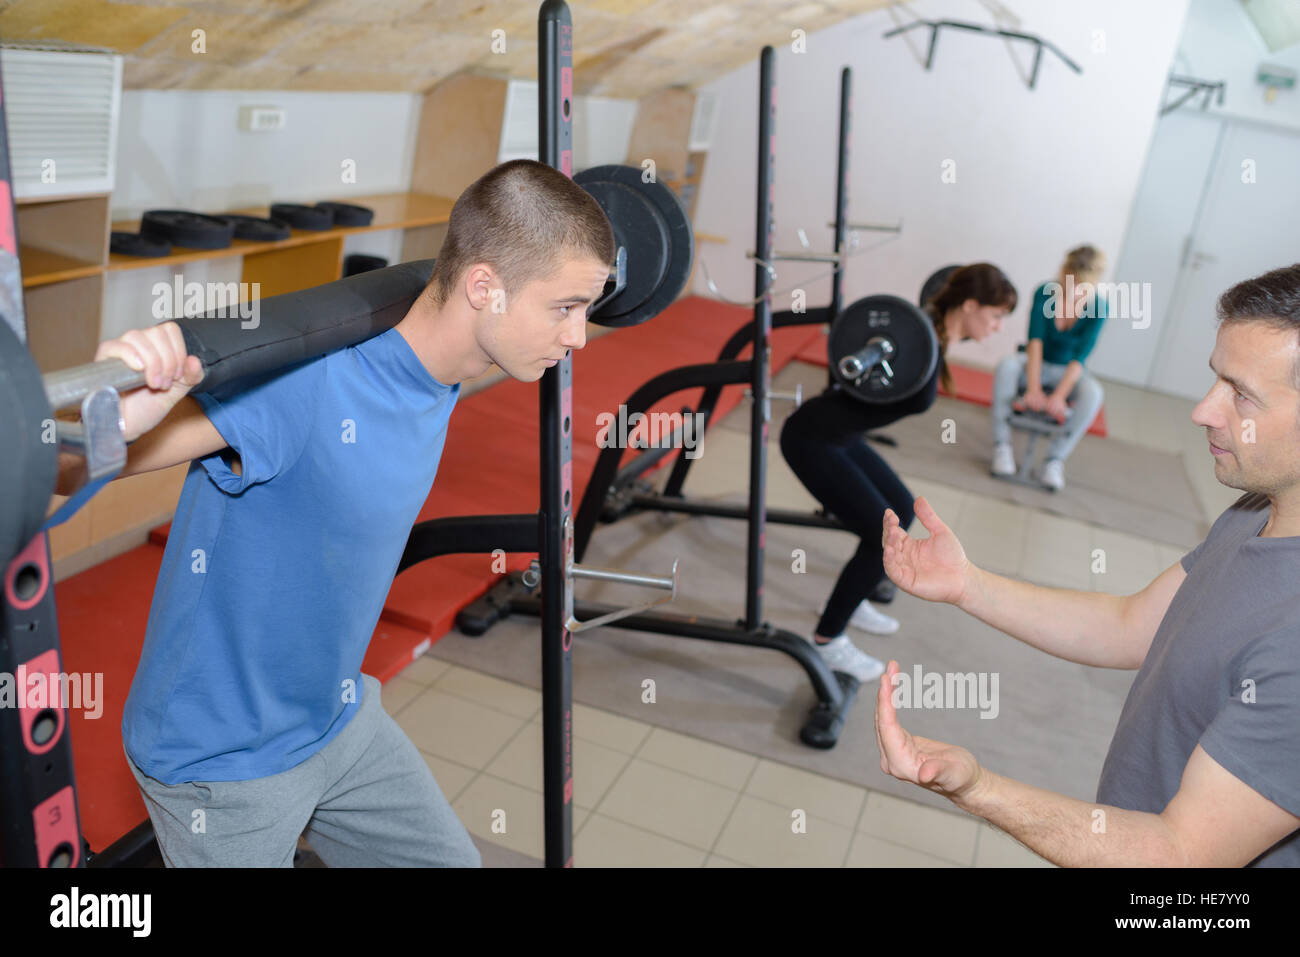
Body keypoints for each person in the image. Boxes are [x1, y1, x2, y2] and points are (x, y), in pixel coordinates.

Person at [53, 159, 615, 867]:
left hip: (338, 718)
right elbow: (65, 464)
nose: (579, 337)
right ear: (483, 288)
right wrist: (117, 411)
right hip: (223, 758)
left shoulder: (446, 365)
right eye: (564, 307)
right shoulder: (305, 386)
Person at [876, 263, 1300, 866]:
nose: (1203, 411)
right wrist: (967, 585)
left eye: (1241, 393)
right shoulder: (1256, 510)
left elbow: (1178, 856)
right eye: (1216, 381)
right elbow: (1132, 625)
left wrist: (976, 788)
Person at [778, 264, 1017, 682]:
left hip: (841, 436)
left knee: (901, 511)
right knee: (881, 534)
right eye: (996, 316)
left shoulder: (930, 337)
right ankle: (828, 639)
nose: (998, 328)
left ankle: (853, 600)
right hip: (811, 439)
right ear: (970, 305)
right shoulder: (919, 331)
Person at [990, 245, 1108, 491]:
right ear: (1063, 272)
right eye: (1070, 282)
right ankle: (1002, 447)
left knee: (1094, 393)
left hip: (1068, 372)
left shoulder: (1099, 307)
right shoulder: (1045, 293)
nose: (1074, 290)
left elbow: (1080, 357)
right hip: (1036, 363)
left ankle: (1055, 460)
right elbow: (1035, 342)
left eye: (1081, 286)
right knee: (1007, 366)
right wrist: (1033, 389)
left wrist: (1059, 396)